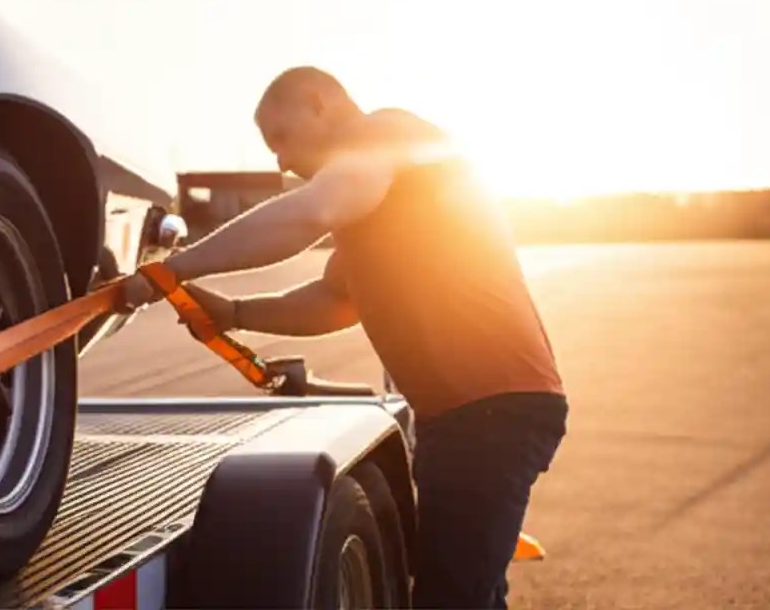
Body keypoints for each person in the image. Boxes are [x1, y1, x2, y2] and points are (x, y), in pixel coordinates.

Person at [119, 66, 568, 608]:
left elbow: (311, 212)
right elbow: (334, 302)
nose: (280, 161)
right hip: (468, 414)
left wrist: (175, 269)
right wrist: (234, 312)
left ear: (319, 103)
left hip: (492, 408)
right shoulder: (376, 204)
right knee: (467, 587)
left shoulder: (385, 135)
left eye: (280, 138)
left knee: (452, 596)